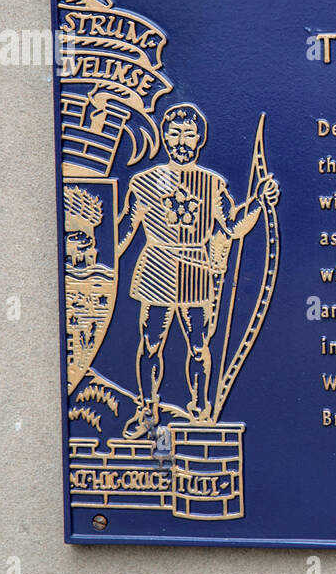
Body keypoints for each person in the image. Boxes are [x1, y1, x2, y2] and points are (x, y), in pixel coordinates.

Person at [116, 103, 279, 437]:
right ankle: (148, 410)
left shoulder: (213, 184)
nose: (181, 141)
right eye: (174, 134)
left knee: (199, 345)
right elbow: (124, 231)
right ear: (164, 138)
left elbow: (233, 226)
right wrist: (96, 251)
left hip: (196, 270)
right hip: (157, 268)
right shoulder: (143, 183)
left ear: (199, 140)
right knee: (150, 343)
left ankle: (200, 409)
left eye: (189, 135)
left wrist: (258, 202)